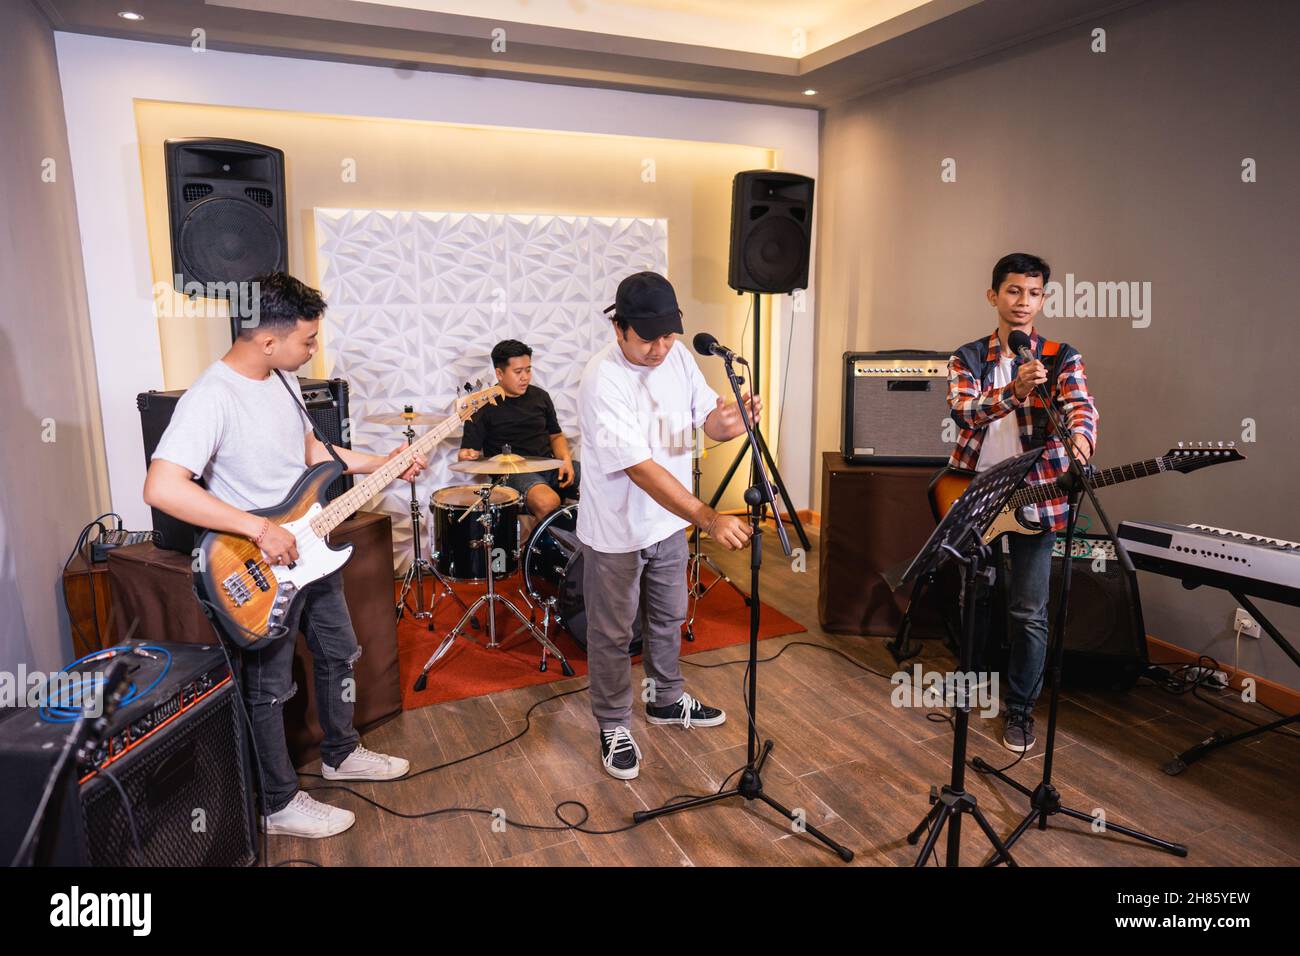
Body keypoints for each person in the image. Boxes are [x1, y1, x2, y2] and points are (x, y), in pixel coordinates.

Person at [143, 272, 423, 838]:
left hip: (310, 548)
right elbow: (162, 487)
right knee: (269, 688)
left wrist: (384, 462)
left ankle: (340, 753)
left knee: (339, 652)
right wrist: (258, 528)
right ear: (268, 341)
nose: (315, 348)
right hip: (257, 563)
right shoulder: (211, 398)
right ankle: (277, 804)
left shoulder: (281, 379)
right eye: (308, 339)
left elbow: (313, 452)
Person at [576, 271, 758, 780]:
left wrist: (729, 424)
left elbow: (707, 421)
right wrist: (707, 516)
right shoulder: (602, 379)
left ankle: (664, 699)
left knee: (668, 616)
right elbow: (639, 467)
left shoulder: (676, 357)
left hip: (668, 523)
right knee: (613, 632)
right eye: (647, 339)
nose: (659, 349)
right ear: (619, 329)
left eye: (668, 336)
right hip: (616, 529)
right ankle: (614, 723)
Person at [946, 252, 1098, 753]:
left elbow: (1081, 408)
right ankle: (969, 686)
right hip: (979, 494)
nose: (1023, 302)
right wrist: (1014, 390)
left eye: (1033, 293)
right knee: (974, 598)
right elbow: (965, 411)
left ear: (1043, 299)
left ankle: (1020, 710)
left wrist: (1081, 444)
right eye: (1013, 291)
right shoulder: (969, 357)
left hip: (1039, 497)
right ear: (994, 296)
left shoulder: (1060, 356)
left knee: (1030, 610)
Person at [458, 339, 577, 526]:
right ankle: (555, 544)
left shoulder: (540, 396)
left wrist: (566, 460)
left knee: (601, 482)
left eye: (528, 370)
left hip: (549, 465)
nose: (525, 377)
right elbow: (466, 453)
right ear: (499, 373)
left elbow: (556, 436)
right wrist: (467, 455)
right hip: (511, 475)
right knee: (547, 501)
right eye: (518, 372)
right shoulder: (481, 405)